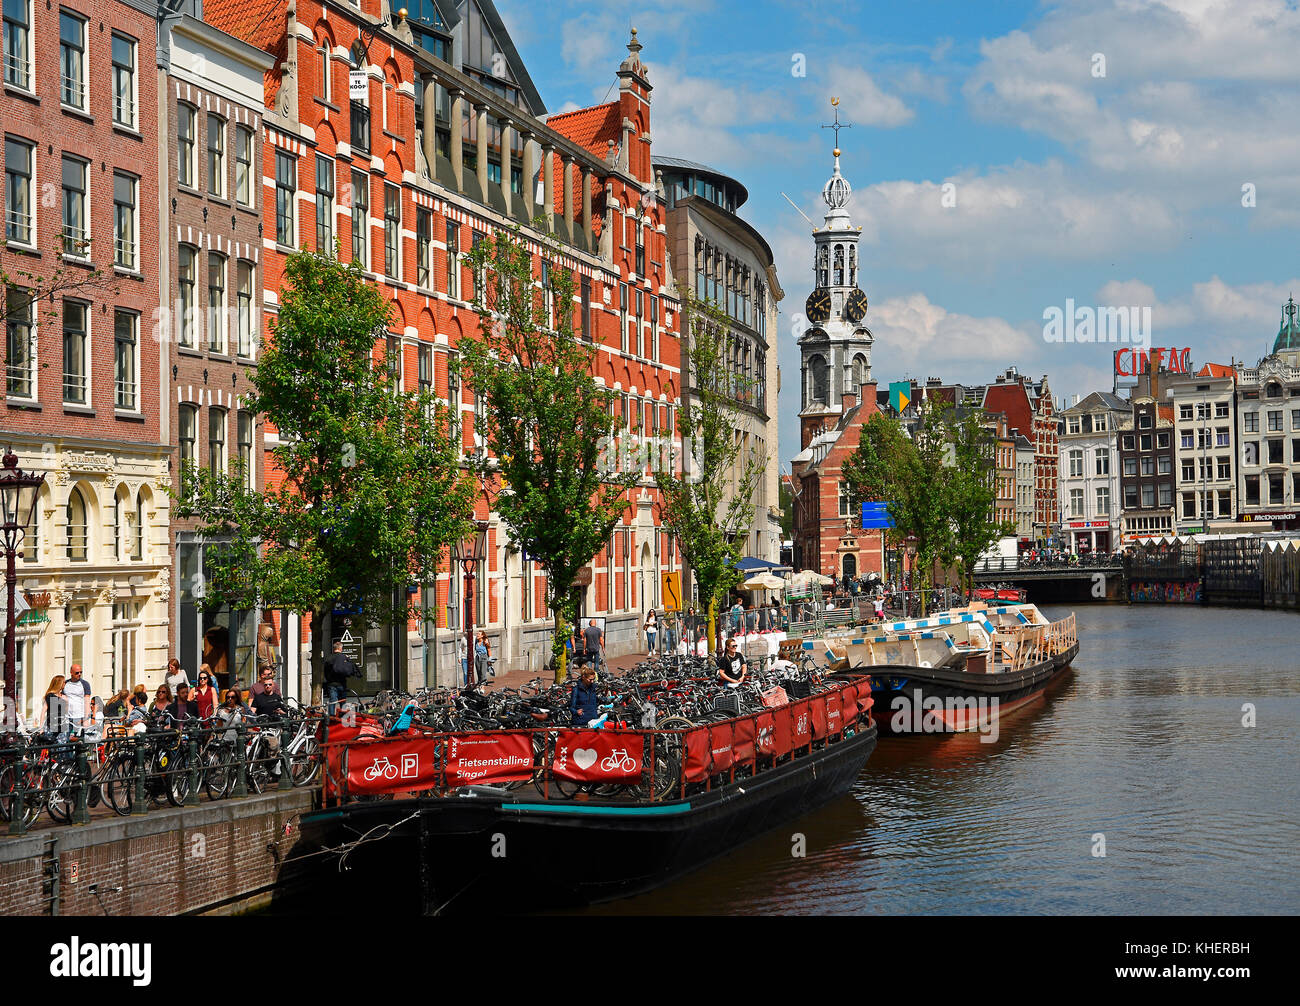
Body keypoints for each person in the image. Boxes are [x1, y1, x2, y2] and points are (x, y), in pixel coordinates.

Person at [323, 640, 356, 714]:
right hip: (342, 683)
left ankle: (332, 717)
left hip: (331, 683)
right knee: (343, 701)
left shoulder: (329, 658)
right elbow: (350, 669)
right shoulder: (344, 657)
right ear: (341, 649)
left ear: (334, 648)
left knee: (332, 701)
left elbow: (325, 671)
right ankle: (343, 716)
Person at [62, 663, 92, 735]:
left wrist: (86, 719)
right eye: (77, 673)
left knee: (79, 740)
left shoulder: (84, 684)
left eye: (81, 672)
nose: (79, 674)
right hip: (67, 717)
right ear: (71, 672)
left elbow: (87, 702)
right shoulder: (65, 684)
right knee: (66, 738)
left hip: (80, 716)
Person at [39, 675, 69, 740]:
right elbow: (43, 712)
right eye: (64, 682)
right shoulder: (50, 696)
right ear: (59, 683)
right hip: (52, 726)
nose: (65, 684)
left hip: (62, 726)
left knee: (63, 747)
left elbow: (66, 712)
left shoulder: (64, 696)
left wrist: (66, 702)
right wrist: (41, 728)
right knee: (52, 746)